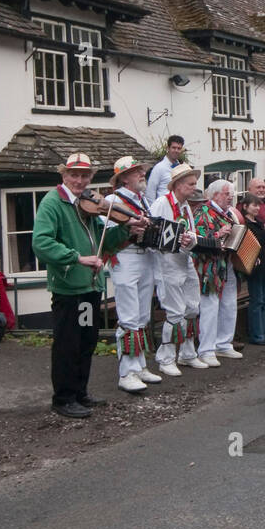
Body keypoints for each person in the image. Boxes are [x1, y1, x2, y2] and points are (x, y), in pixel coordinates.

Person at [31, 152, 130, 418]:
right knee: (67, 344)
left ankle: (80, 392)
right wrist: (76, 258)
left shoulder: (89, 203)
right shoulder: (52, 203)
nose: (80, 180)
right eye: (74, 175)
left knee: (86, 341)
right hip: (68, 288)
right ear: (64, 175)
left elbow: (105, 243)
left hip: (90, 288)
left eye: (84, 175)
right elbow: (41, 243)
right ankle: (62, 399)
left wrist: (127, 229)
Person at [103, 156, 163, 394]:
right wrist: (129, 228)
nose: (142, 174)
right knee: (128, 316)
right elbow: (106, 235)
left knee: (141, 316)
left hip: (145, 256)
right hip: (125, 257)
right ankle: (126, 373)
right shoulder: (112, 200)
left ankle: (139, 365)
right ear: (123, 178)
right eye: (137, 171)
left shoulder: (142, 200)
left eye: (142, 171)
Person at [150, 162, 202, 375]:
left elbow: (189, 231)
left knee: (192, 307)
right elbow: (152, 233)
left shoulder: (185, 207)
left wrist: (192, 239)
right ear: (178, 185)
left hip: (185, 259)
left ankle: (188, 354)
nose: (194, 187)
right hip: (167, 263)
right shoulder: (162, 203)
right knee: (174, 311)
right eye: (190, 184)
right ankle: (166, 358)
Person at [192, 179, 245, 367]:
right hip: (209, 266)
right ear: (214, 195)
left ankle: (224, 343)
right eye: (226, 193)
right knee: (210, 307)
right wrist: (218, 234)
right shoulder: (202, 212)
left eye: (231, 193)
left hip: (227, 264)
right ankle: (206, 349)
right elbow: (197, 241)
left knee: (229, 304)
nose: (230, 197)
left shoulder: (228, 213)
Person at [240, 193, 265, 346]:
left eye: (258, 205)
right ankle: (257, 334)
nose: (257, 208)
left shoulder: (259, 222)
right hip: (254, 267)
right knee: (257, 300)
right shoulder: (246, 225)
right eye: (254, 205)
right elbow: (258, 240)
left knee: (264, 300)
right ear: (245, 207)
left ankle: (262, 330)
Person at [147, 135, 186, 202]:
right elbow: (150, 192)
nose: (176, 150)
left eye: (179, 148)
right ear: (168, 148)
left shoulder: (182, 167)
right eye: (173, 148)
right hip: (163, 208)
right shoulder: (159, 168)